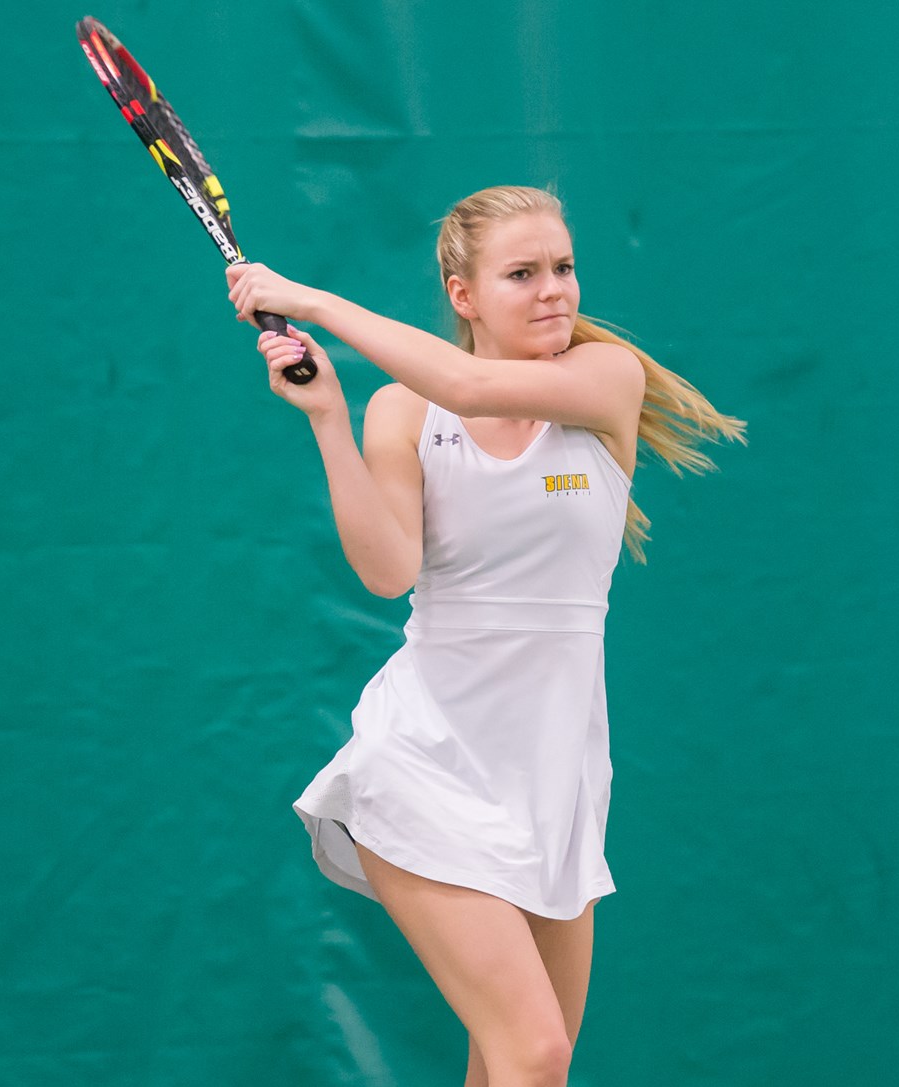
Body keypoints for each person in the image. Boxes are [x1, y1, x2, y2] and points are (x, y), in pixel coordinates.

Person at [226, 185, 744, 1087]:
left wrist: (308, 299)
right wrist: (327, 420)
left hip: (556, 783)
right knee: (532, 1053)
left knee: (522, 1065)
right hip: (427, 762)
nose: (555, 291)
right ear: (463, 295)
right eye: (523, 273)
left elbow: (465, 379)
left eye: (564, 267)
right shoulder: (402, 412)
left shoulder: (603, 381)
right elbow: (389, 571)